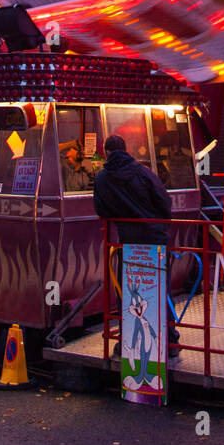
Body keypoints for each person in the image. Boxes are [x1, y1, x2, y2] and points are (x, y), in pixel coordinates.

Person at [94, 133, 179, 347]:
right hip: (155, 238)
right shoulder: (143, 173)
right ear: (125, 149)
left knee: (129, 289)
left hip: (128, 241)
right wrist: (161, 222)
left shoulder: (102, 178)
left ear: (106, 152)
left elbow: (101, 209)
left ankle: (129, 339)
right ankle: (169, 340)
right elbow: (164, 200)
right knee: (160, 288)